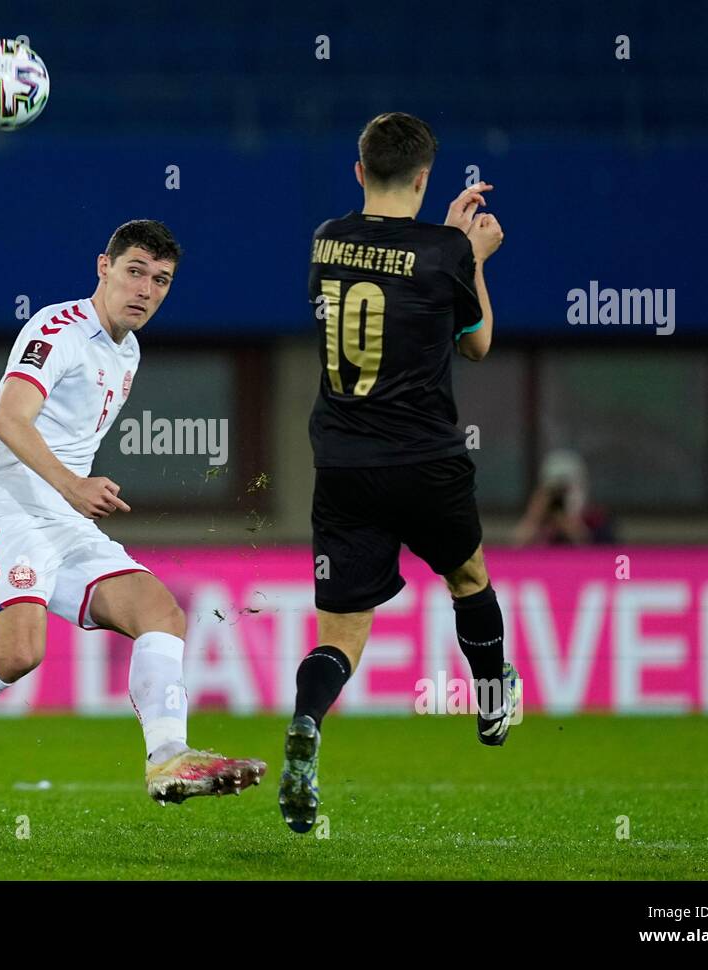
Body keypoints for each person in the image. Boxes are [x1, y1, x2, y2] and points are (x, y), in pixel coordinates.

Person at [0, 220, 266, 843]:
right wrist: (54, 487)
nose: (146, 289)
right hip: (11, 512)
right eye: (134, 270)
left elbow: (37, 429)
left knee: (161, 613)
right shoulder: (57, 329)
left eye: (161, 280)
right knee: (19, 653)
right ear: (102, 266)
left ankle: (168, 756)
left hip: (57, 514)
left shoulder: (127, 351)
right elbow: (11, 417)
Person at [279, 113, 520, 834]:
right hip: (426, 461)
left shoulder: (326, 240)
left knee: (342, 630)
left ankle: (306, 721)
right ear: (424, 176)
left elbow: (392, 268)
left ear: (359, 172)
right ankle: (489, 696)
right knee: (468, 575)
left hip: (345, 463)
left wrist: (446, 244)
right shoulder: (446, 253)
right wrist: (474, 254)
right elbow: (475, 345)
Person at [513, 450, 616, 546]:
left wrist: (569, 526)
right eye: (555, 492)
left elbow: (601, 555)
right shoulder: (542, 526)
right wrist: (533, 518)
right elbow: (516, 550)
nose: (560, 498)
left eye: (565, 491)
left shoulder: (597, 520)